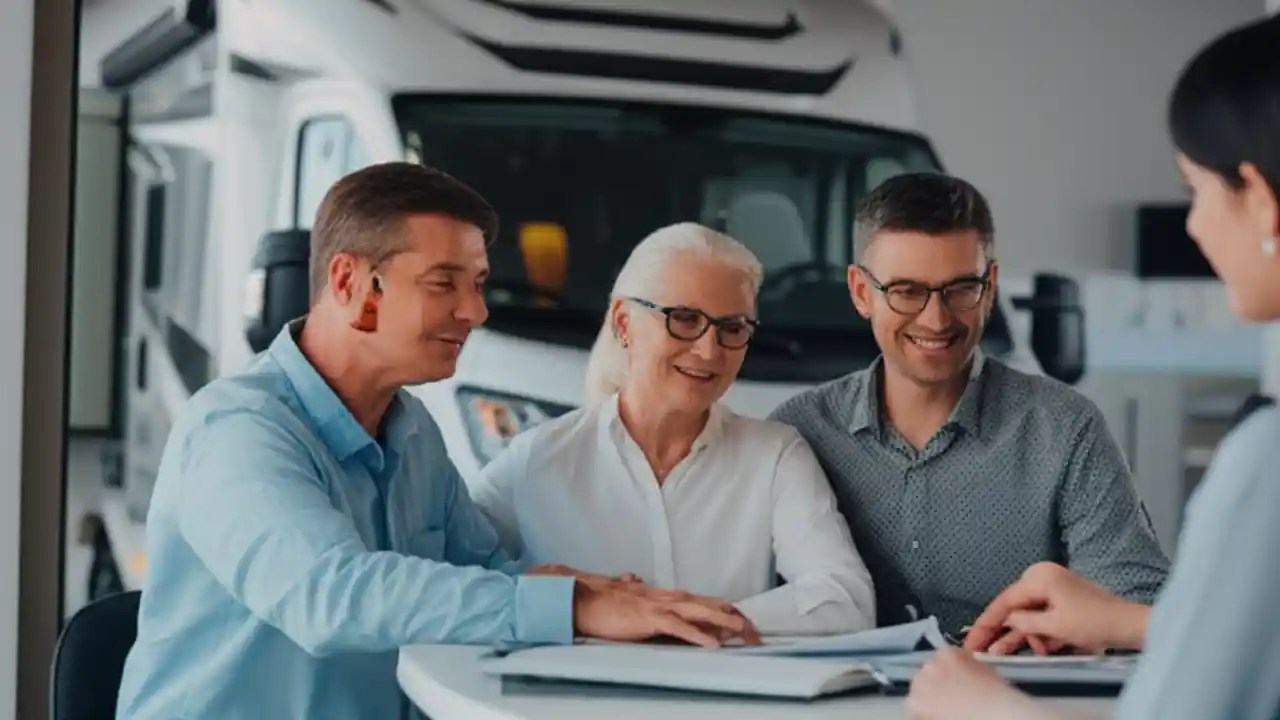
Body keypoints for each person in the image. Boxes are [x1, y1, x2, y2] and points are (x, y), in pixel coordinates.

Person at [114, 164, 758, 720]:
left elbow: (481, 573)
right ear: (349, 284)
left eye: (476, 284)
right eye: (444, 283)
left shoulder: (412, 428)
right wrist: (569, 605)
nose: (475, 311)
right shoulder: (238, 429)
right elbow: (328, 597)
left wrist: (605, 595)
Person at [907, 14, 1280, 720]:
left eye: (1197, 192)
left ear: (1260, 200)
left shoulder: (1267, 464)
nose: (1194, 226)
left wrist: (982, 707)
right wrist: (1133, 625)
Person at [768, 173, 1170, 638]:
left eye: (961, 289)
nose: (936, 320)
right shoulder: (797, 434)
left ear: (991, 285)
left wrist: (1080, 631)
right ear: (862, 293)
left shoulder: (1066, 431)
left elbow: (1137, 609)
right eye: (906, 291)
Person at [469, 222, 877, 636]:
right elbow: (445, 580)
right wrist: (558, 600)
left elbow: (847, 599)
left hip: (725, 700)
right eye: (684, 319)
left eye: (732, 328)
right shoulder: (537, 459)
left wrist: (685, 618)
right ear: (624, 323)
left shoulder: (775, 456)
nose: (708, 350)